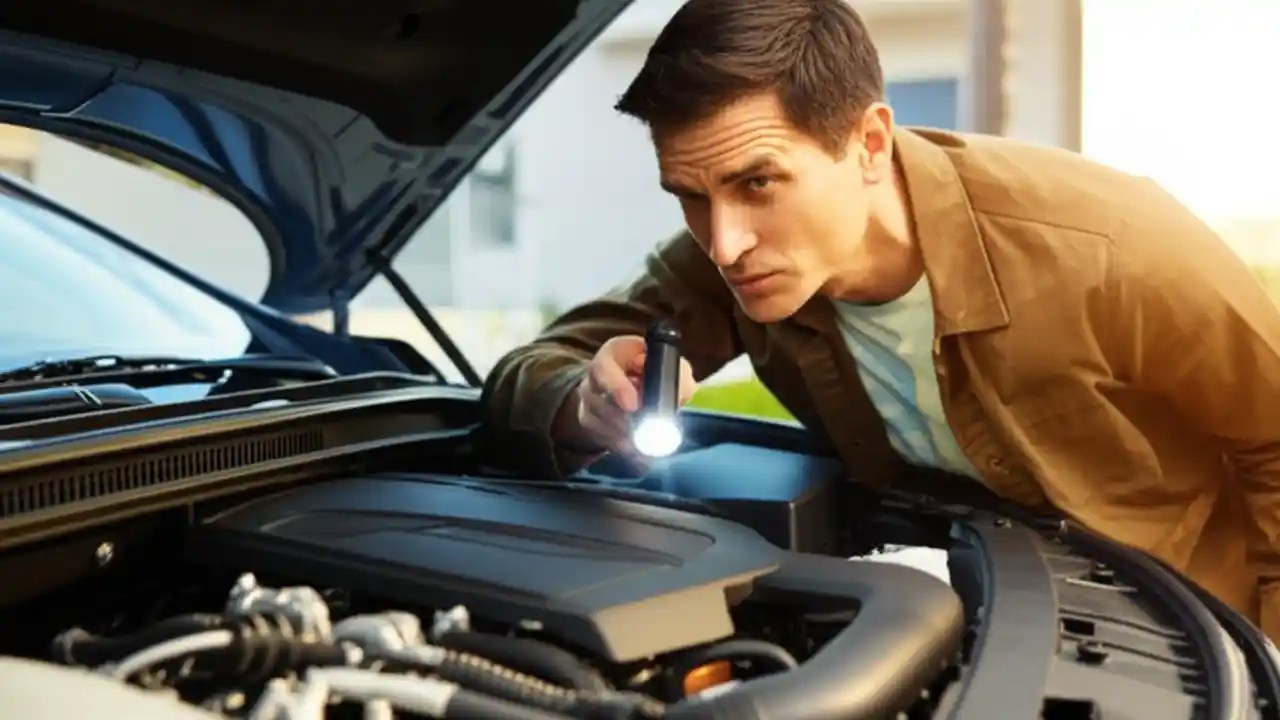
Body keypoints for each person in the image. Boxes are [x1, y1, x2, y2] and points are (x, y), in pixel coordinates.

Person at [479, 0, 1280, 641]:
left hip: (1187, 634)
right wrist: (583, 402)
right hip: (981, 616)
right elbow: (535, 369)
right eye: (691, 196)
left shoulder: (1111, 250)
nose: (724, 243)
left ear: (868, 143)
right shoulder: (733, 261)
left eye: (758, 184)